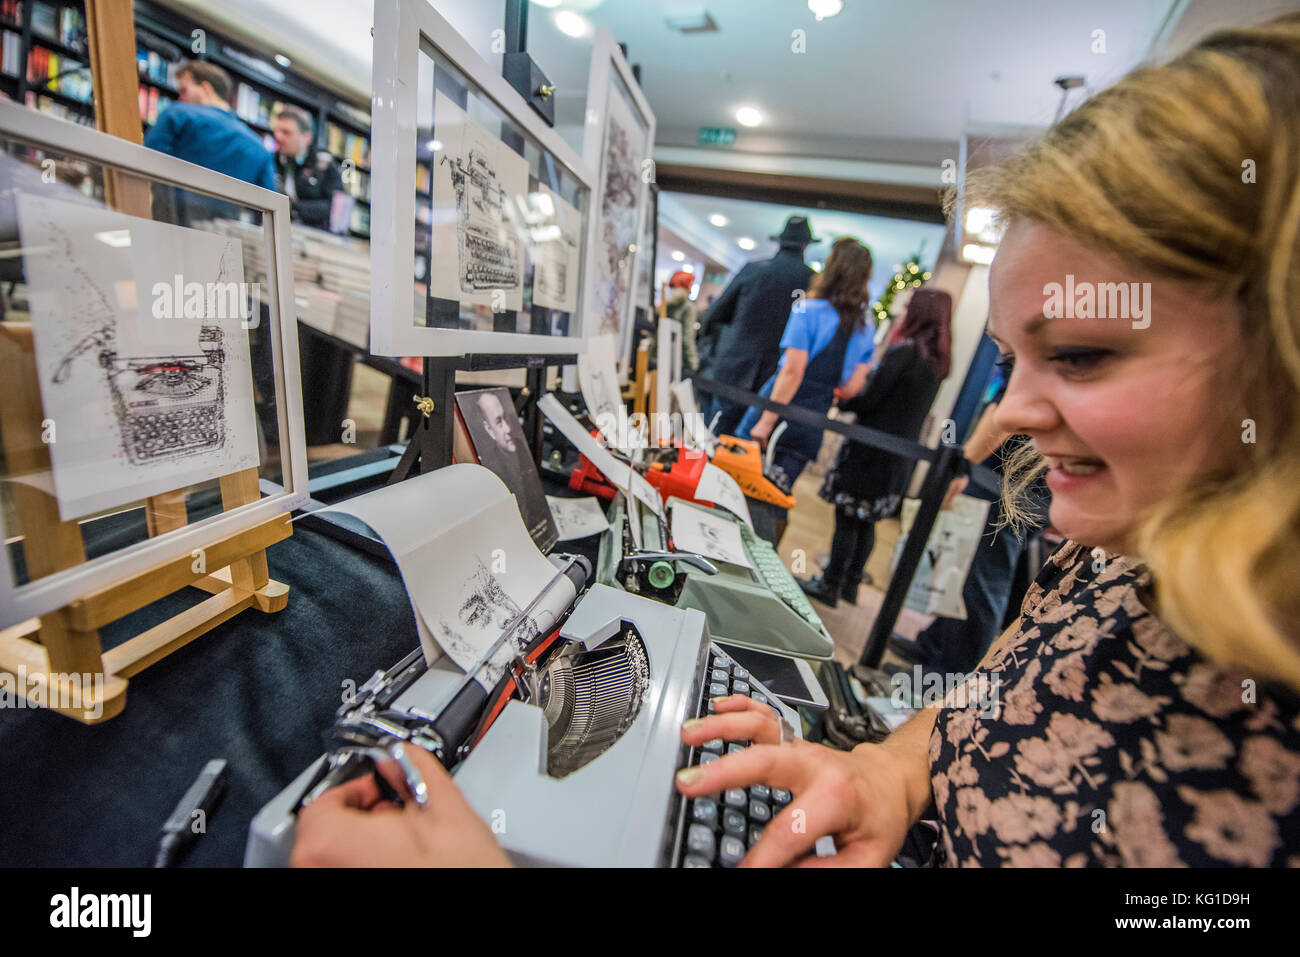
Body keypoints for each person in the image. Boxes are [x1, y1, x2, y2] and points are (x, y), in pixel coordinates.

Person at [291, 15, 1300, 868]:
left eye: (1078, 357)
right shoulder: (1122, 543)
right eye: (1009, 361)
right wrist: (892, 774)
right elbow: (991, 708)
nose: (1003, 421)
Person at [887, 364, 1050, 672]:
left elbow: (1005, 416)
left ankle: (949, 675)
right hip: (1003, 479)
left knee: (983, 582)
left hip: (1012, 486)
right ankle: (935, 645)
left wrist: (962, 464)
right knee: (962, 570)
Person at [800, 287, 952, 607]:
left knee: (847, 515)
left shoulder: (904, 353)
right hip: (897, 457)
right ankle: (849, 585)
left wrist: (842, 398)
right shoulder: (936, 363)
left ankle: (830, 585)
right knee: (866, 521)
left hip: (869, 451)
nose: (901, 311)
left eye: (908, 305)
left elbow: (870, 400)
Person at [733, 237, 876, 493]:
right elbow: (850, 388)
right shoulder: (865, 327)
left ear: (832, 269)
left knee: (737, 484)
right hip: (813, 419)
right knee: (778, 495)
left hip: (776, 408)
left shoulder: (808, 310)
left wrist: (766, 422)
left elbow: (792, 372)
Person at [696, 215, 817, 436]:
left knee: (711, 435)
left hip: (733, 368)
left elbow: (717, 313)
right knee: (743, 449)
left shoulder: (754, 270)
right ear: (805, 246)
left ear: (780, 242)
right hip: (772, 381)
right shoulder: (811, 281)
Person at [143, 60, 277, 194]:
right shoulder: (260, 148)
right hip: (230, 215)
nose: (180, 98)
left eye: (184, 91)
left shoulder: (177, 114)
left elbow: (145, 164)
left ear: (206, 89)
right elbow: (269, 202)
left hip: (168, 212)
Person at [272, 104, 346, 231]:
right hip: (280, 230)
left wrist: (294, 207)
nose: (278, 137)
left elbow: (337, 209)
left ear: (306, 137)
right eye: (277, 131)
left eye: (286, 132)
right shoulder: (274, 159)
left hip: (314, 238)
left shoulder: (325, 164)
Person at [661, 270, 700, 373]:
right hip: (674, 360)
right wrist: (693, 363)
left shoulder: (665, 303)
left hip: (658, 355)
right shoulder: (688, 307)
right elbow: (687, 338)